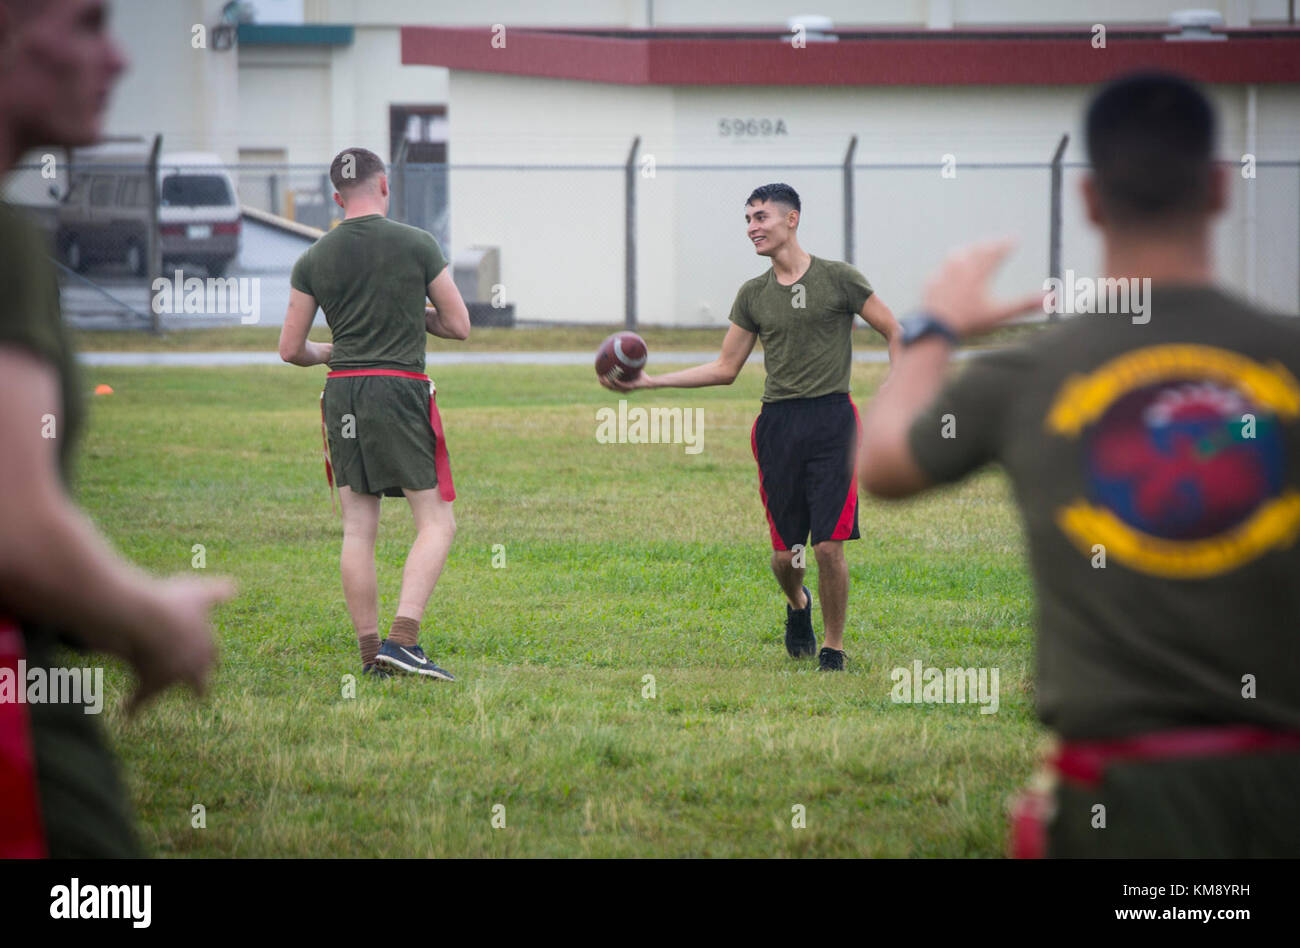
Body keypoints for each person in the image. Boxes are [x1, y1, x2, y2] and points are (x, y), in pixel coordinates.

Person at [858, 72, 1300, 857]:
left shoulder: (1029, 375)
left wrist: (934, 331)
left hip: (1120, 803)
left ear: (1090, 199)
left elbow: (884, 463)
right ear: (1221, 189)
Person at [0, 0, 233, 858]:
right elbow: (15, 529)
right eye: (88, 24)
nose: (121, 60)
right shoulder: (7, 246)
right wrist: (151, 619)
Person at [603, 183, 901, 671]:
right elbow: (725, 368)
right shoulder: (753, 295)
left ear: (792, 220)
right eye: (747, 220)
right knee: (788, 557)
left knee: (828, 545)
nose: (752, 228)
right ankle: (797, 604)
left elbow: (894, 330)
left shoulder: (839, 279)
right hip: (778, 426)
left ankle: (833, 647)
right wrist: (649, 383)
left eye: (760, 217)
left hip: (833, 422)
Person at [279, 147, 470, 682]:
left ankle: (371, 655)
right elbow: (459, 324)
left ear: (337, 199)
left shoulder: (314, 257)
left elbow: (292, 348)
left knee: (358, 529)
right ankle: (403, 641)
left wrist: (330, 353)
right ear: (384, 186)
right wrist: (413, 310)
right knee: (435, 521)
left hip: (342, 392)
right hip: (400, 387)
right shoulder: (418, 243)